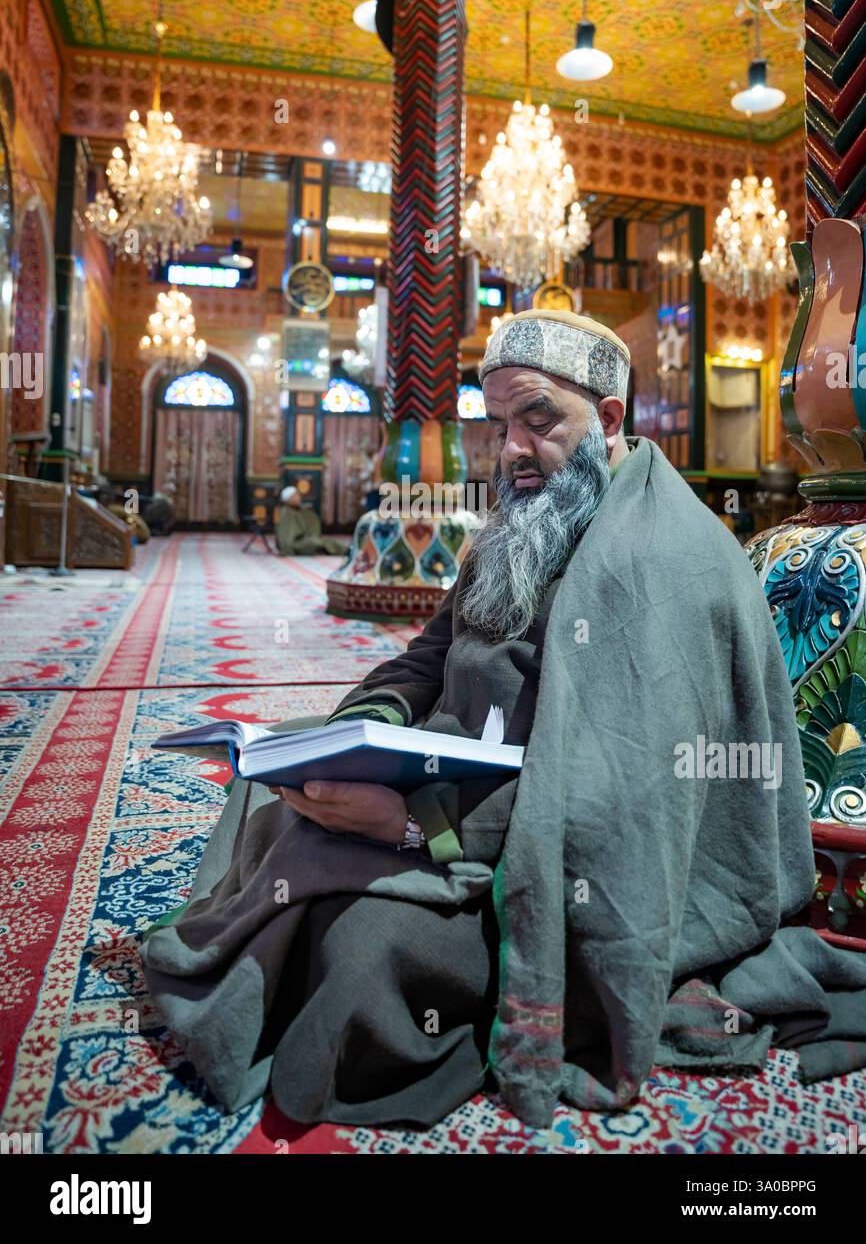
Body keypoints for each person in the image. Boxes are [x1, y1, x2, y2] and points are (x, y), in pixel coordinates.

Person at [143, 308, 866, 1130]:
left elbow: (623, 799)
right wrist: (355, 738)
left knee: (363, 951)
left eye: (538, 419)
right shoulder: (527, 513)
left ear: (611, 418)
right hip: (455, 776)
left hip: (554, 854)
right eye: (498, 426)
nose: (513, 449)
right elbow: (428, 655)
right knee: (276, 785)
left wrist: (418, 827)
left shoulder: (661, 559)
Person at [274, 484, 346, 556]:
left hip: (305, 539)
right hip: (296, 544)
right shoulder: (287, 513)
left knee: (326, 541)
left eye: (298, 495)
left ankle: (346, 550)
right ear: (288, 500)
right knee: (314, 542)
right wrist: (287, 551)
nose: (298, 498)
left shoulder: (299, 511)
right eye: (295, 496)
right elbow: (285, 537)